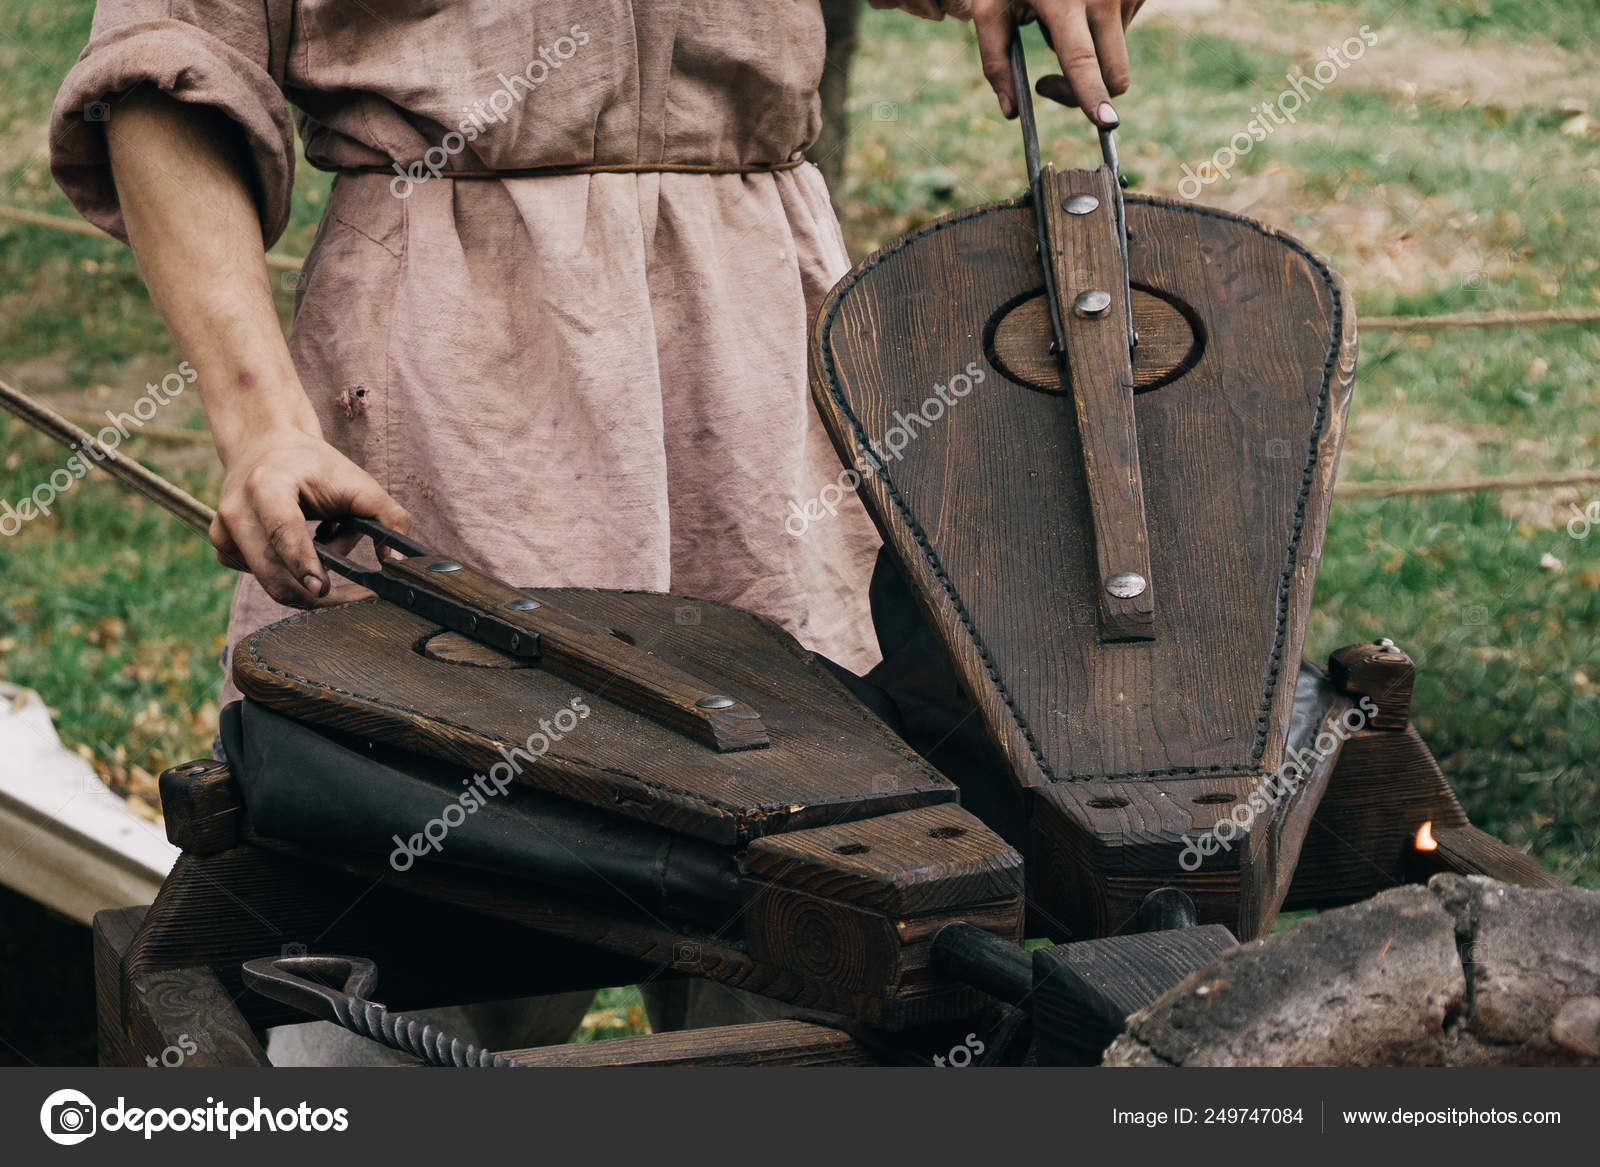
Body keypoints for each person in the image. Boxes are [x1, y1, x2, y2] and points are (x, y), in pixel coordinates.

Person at [49, 0, 1143, 1060]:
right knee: (429, 924)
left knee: (819, 913)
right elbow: (173, 62)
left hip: (759, 364)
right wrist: (261, 426)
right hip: (457, 375)